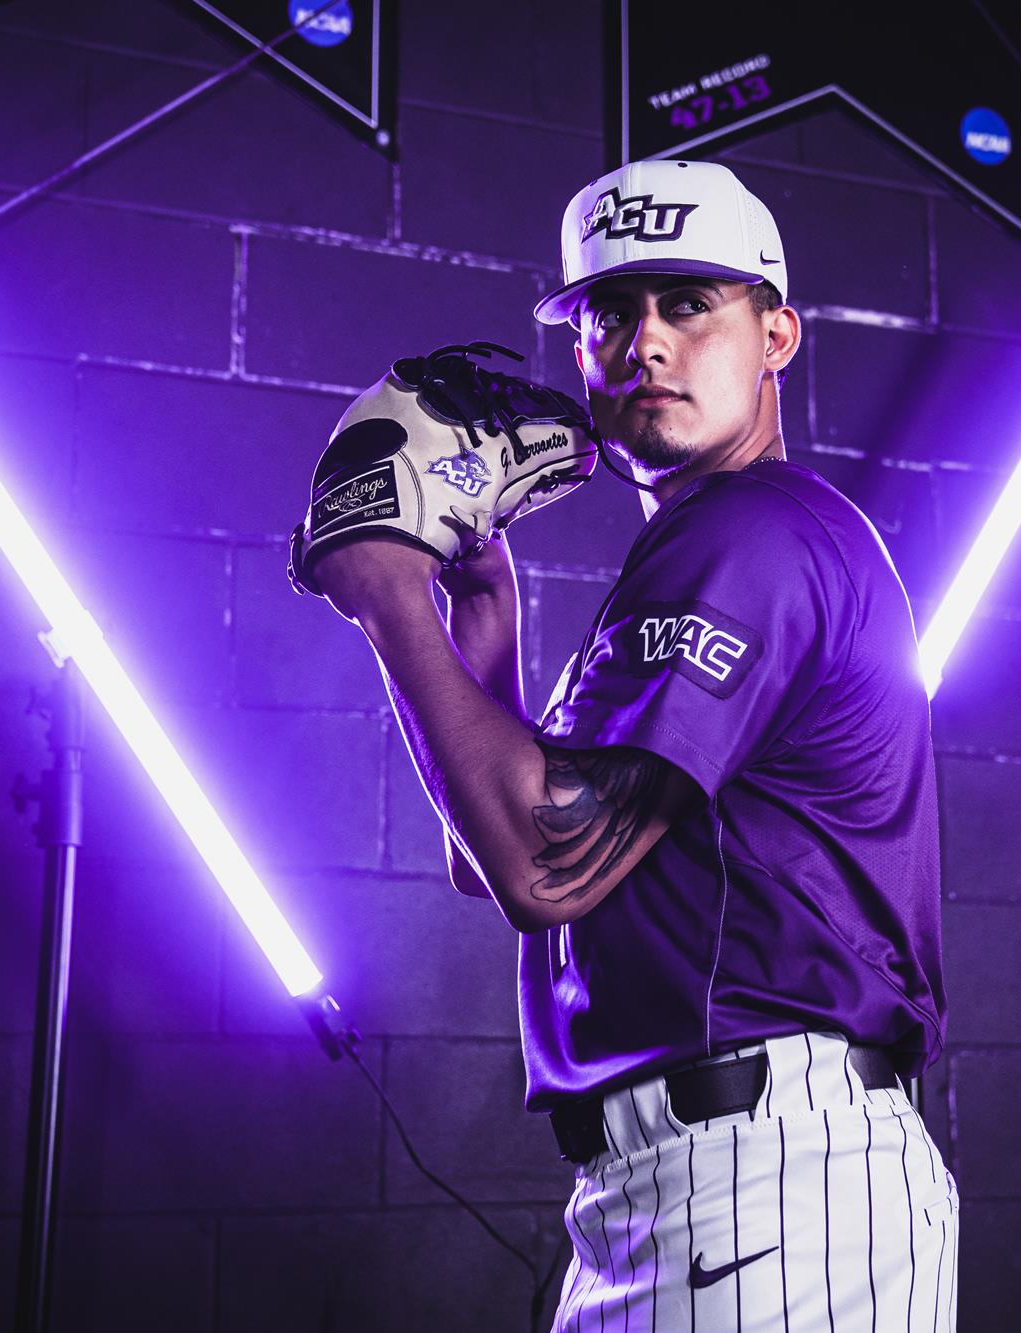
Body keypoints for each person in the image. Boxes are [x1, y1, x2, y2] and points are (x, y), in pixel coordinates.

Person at [310, 158, 954, 1331]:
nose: (644, 342)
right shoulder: (692, 557)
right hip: (686, 1181)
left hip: (764, 1172)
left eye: (687, 302)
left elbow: (540, 862)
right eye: (612, 310)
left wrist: (385, 595)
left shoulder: (753, 535)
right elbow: (500, 844)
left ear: (775, 333)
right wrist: (481, 633)